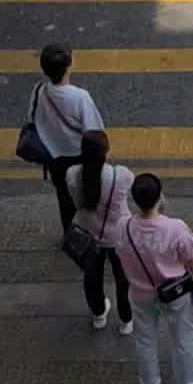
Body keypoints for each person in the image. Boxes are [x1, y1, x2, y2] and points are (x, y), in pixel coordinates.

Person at [116, 173, 193, 384]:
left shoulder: (123, 226)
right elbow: (192, 260)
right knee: (183, 338)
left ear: (135, 200)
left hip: (140, 293)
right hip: (175, 292)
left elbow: (120, 253)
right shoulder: (175, 227)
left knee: (145, 340)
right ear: (160, 196)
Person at [31, 43, 105, 232]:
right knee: (85, 196)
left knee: (64, 196)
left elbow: (32, 118)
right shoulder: (80, 97)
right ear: (69, 66)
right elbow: (94, 132)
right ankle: (86, 233)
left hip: (53, 157)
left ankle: (70, 234)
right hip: (78, 157)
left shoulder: (39, 91)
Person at [66, 129, 134, 333]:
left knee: (92, 278)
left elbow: (77, 203)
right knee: (123, 280)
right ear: (106, 150)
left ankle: (98, 315)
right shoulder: (121, 175)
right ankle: (126, 319)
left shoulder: (72, 174)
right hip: (117, 236)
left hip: (88, 235)